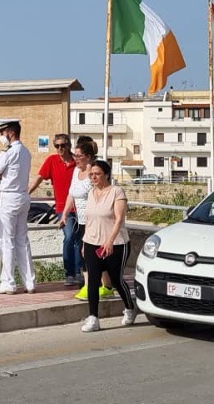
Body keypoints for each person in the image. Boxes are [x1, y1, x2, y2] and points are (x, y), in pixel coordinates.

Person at [79, 159, 139, 332]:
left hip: (116, 243)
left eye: (97, 174)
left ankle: (130, 307)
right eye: (91, 174)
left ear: (106, 174)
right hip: (92, 242)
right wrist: (85, 242)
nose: (94, 177)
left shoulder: (117, 192)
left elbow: (119, 219)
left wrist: (110, 241)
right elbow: (88, 220)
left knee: (115, 279)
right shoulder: (91, 193)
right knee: (92, 280)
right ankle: (93, 318)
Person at [61, 137, 115, 301]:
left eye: (78, 156)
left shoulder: (94, 173)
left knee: (91, 253)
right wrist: (64, 214)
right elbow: (72, 192)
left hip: (95, 219)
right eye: (74, 155)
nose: (75, 158)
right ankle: (99, 286)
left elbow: (90, 192)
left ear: (89, 157)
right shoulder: (77, 172)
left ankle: (99, 286)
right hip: (82, 219)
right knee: (88, 253)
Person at [0, 118, 35, 293]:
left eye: (2, 132)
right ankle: (29, 282)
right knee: (22, 240)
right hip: (23, 195)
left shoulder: (7, 152)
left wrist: (1, 174)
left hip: (9, 198)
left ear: (10, 132)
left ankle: (8, 282)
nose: (1, 136)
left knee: (6, 241)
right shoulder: (26, 152)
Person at [30, 133, 80, 287]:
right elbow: (39, 177)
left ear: (69, 146)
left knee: (80, 240)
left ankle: (80, 271)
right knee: (69, 236)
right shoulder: (52, 161)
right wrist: (27, 193)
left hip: (82, 207)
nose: (60, 148)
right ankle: (70, 273)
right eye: (57, 146)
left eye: (63, 145)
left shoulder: (77, 162)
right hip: (63, 208)